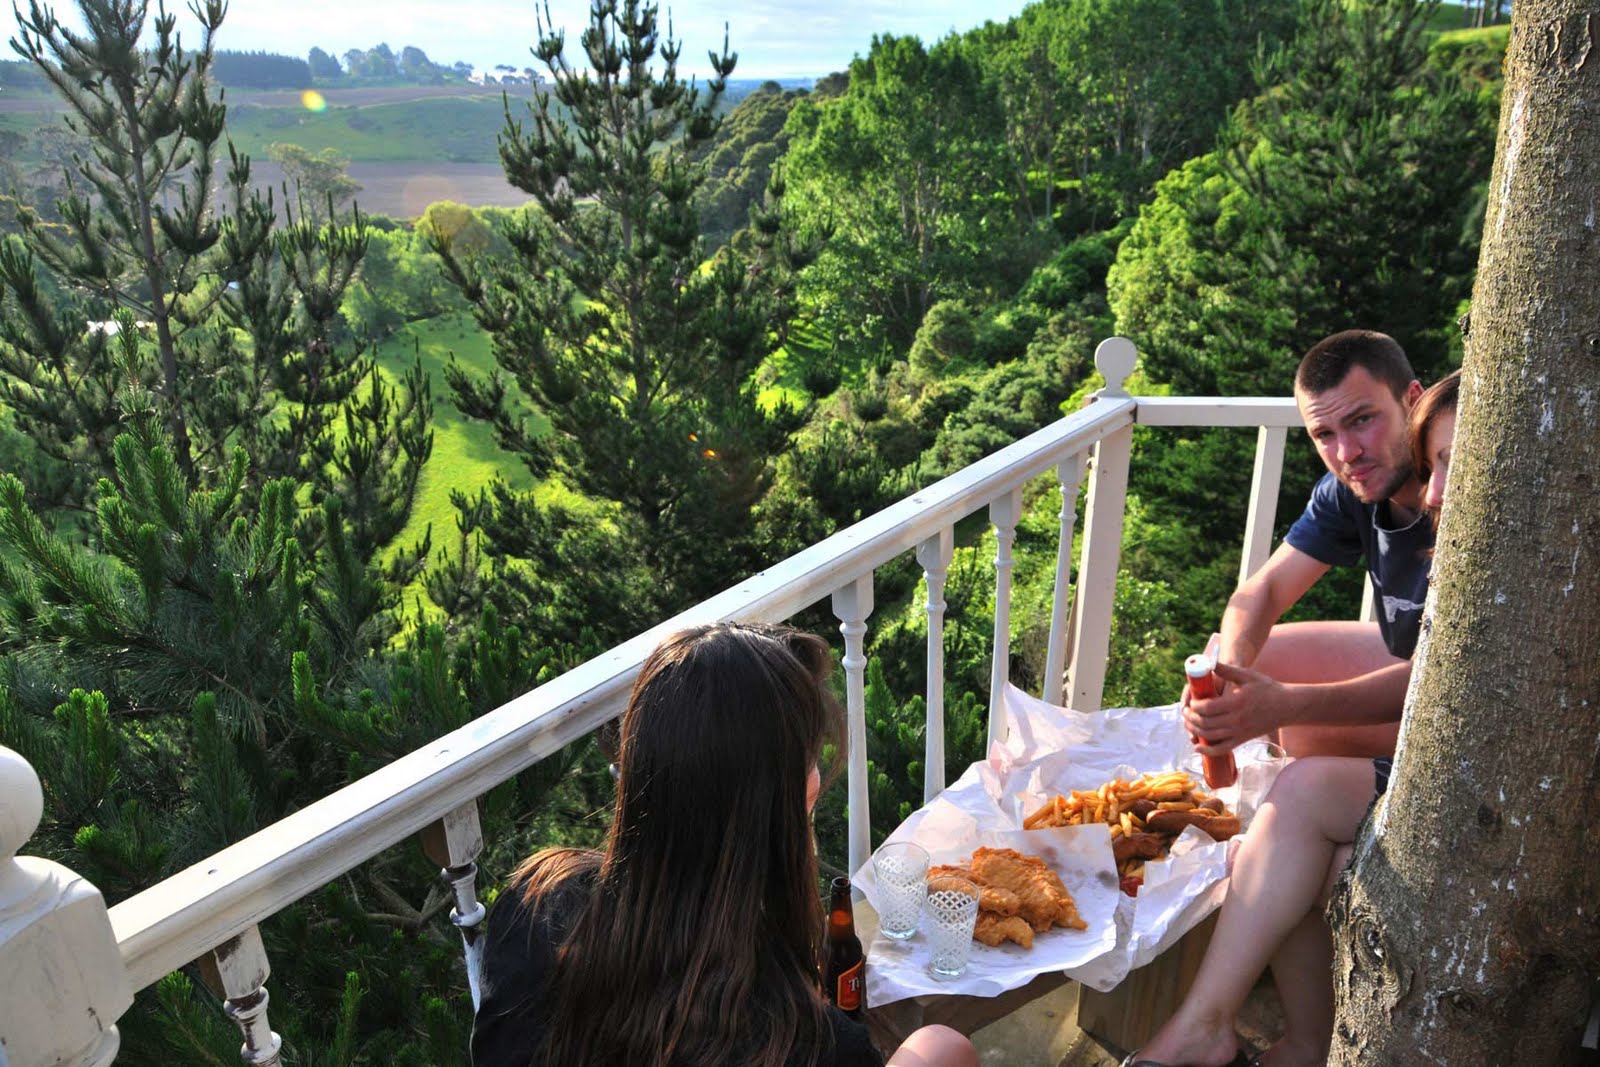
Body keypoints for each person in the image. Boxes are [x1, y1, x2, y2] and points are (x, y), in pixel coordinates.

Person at [1127, 370, 1461, 1067]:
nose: (1348, 450)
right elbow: (1261, 592)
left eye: (1363, 420)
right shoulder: (1358, 488)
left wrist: (1284, 704)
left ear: (1413, 398)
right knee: (1272, 674)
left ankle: (1217, 1027)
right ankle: (1302, 1035)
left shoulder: (1466, 501)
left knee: (1292, 797)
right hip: (1426, 674)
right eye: (1324, 433)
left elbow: (1444, 682)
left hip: (1457, 718)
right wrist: (1231, 678)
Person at [472, 622, 979, 1067]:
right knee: (941, 1047)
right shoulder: (800, 1040)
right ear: (786, 810)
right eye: (809, 766)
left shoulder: (536, 905)